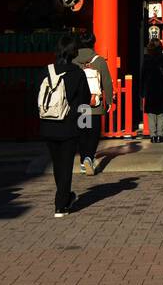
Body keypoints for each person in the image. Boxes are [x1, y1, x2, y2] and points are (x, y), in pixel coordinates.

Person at [38, 35, 93, 215]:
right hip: (69, 126)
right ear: (73, 51)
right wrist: (85, 127)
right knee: (66, 164)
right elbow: (84, 102)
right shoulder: (77, 73)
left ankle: (64, 196)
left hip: (48, 123)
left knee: (56, 164)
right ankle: (61, 203)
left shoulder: (46, 71)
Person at [74, 30, 115, 175]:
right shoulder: (98, 61)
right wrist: (109, 100)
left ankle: (83, 162)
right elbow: (107, 83)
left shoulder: (74, 61)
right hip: (95, 104)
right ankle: (89, 158)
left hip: (80, 105)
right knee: (93, 134)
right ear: (93, 43)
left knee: (83, 133)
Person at [140, 39, 163, 142]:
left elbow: (143, 77)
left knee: (151, 113)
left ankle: (153, 135)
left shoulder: (146, 60)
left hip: (150, 89)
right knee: (161, 113)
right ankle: (160, 134)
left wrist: (142, 93)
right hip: (162, 88)